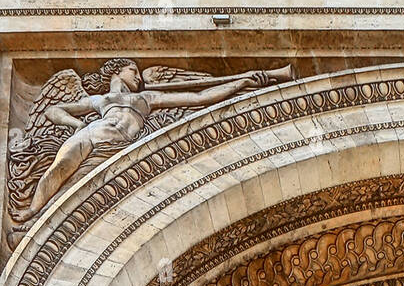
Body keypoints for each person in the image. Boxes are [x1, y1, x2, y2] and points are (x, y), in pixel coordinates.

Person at [19, 59, 292, 222]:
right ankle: (33, 212)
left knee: (79, 195)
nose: (138, 77)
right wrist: (78, 124)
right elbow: (54, 110)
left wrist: (241, 82)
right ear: (116, 71)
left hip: (119, 146)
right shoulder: (99, 100)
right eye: (132, 70)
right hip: (91, 134)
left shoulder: (147, 98)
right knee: (60, 167)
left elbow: (199, 98)